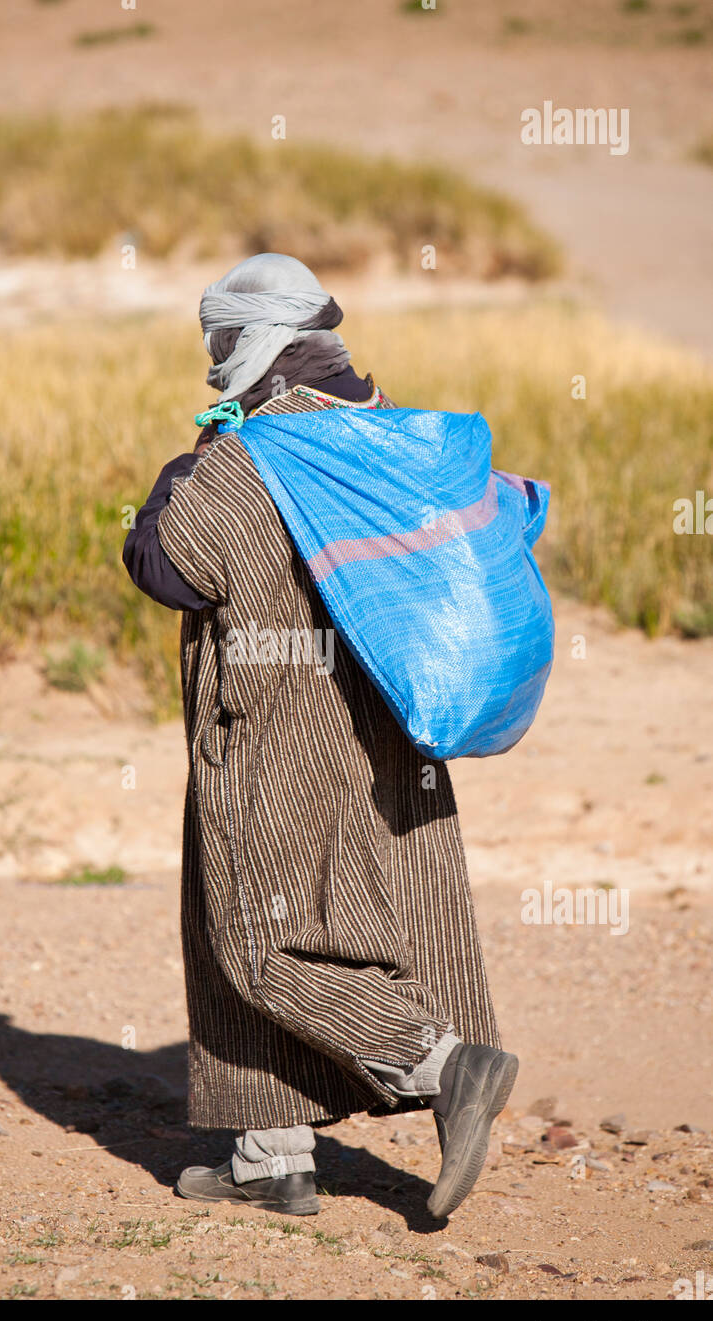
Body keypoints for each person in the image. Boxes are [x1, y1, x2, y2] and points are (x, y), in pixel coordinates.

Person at [123, 252, 517, 1220]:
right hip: (394, 729)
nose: (212, 364)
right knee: (408, 913)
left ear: (255, 342)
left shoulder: (252, 457)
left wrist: (186, 462)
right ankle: (269, 1153)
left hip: (272, 731)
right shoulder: (392, 435)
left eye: (218, 344)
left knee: (257, 936)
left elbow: (163, 564)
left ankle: (443, 1062)